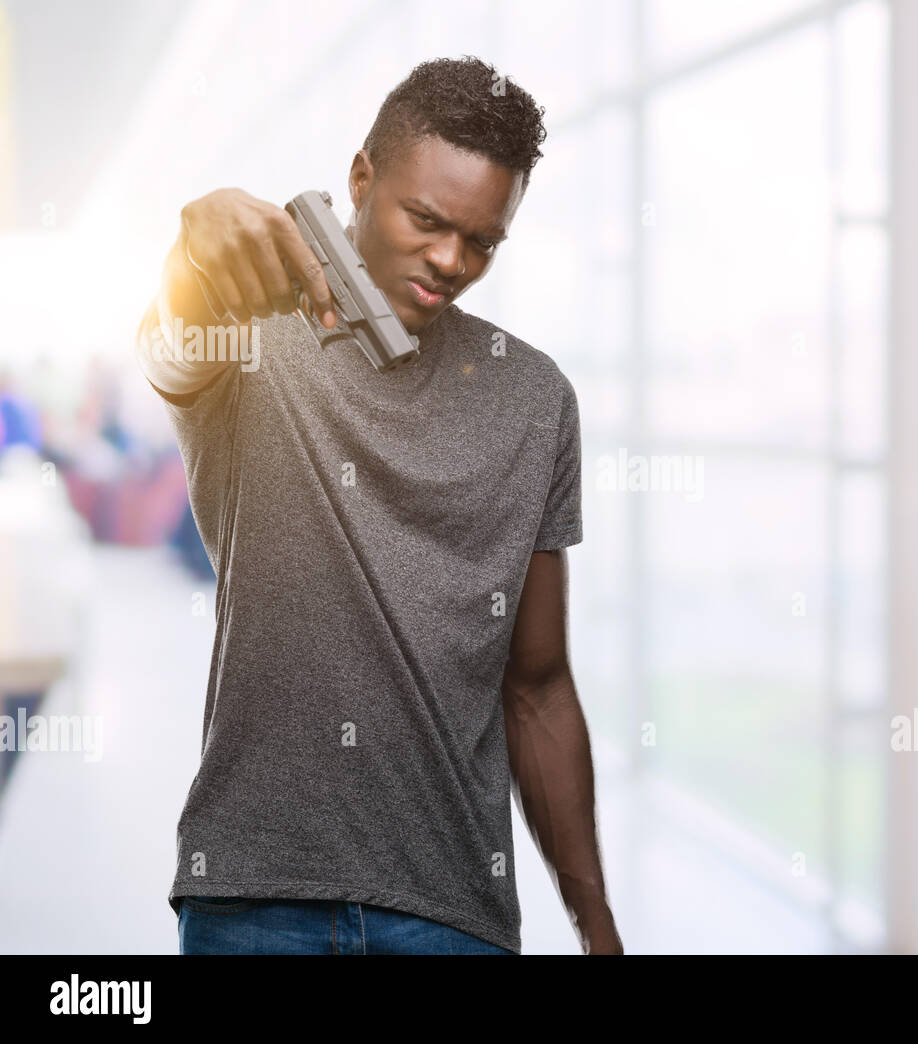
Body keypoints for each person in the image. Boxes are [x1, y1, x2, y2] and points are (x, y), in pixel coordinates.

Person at [133, 56, 622, 955]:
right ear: (361, 177)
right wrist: (192, 250)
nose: (450, 261)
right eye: (428, 222)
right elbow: (170, 351)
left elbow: (539, 685)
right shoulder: (248, 338)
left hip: (452, 914)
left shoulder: (536, 400)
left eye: (481, 242)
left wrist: (598, 927)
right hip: (254, 897)